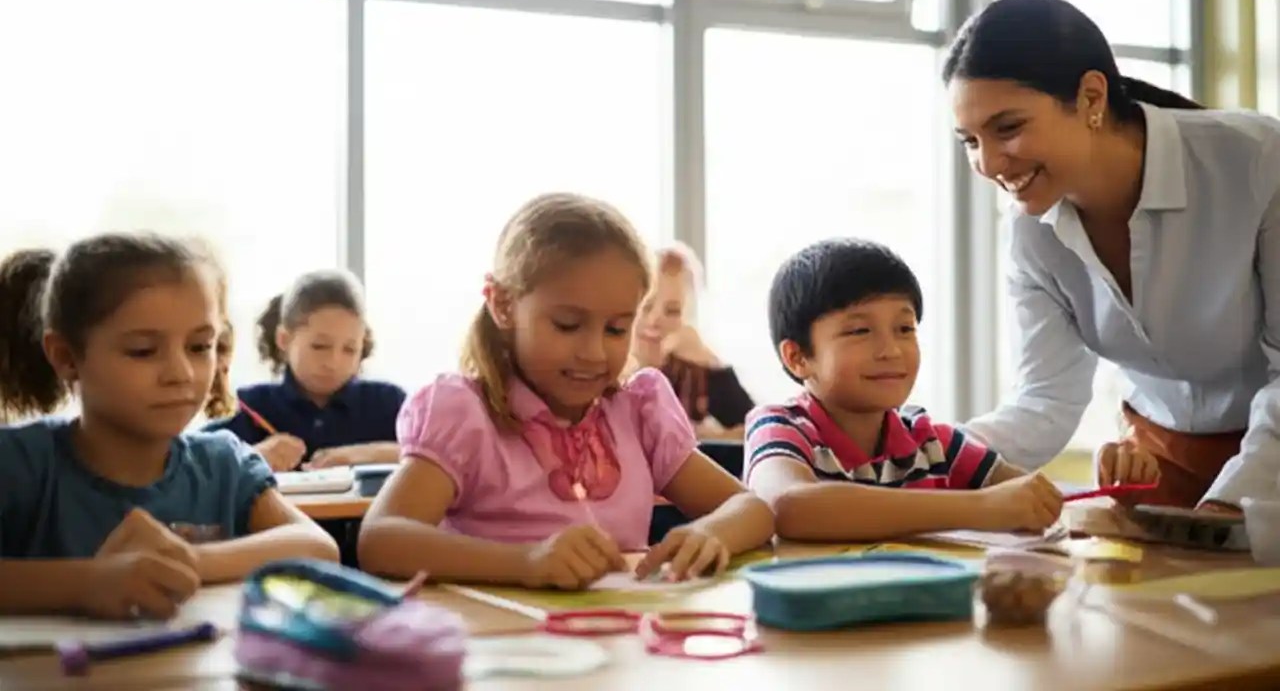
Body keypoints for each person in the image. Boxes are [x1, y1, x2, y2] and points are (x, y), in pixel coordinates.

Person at [946, 0, 1279, 510]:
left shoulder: (1256, 160)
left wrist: (1230, 506)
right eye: (970, 141)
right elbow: (1045, 400)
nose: (988, 164)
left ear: (1091, 97)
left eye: (1007, 128)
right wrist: (927, 454)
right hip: (1158, 463)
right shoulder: (1031, 232)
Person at [359, 193, 774, 588]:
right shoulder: (467, 414)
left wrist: (711, 532)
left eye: (616, 329)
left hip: (624, 633)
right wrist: (525, 563)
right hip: (502, 634)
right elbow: (381, 539)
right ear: (502, 304)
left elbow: (752, 508)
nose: (594, 352)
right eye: (567, 325)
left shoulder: (636, 411)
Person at [0, 233, 338, 619]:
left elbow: (318, 547)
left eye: (199, 347)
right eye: (143, 351)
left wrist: (187, 561)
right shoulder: (21, 465)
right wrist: (89, 582)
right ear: (65, 357)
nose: (181, 373)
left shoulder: (222, 465)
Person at [744, 239, 1071, 541]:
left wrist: (1051, 502)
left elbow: (1026, 495)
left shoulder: (933, 443)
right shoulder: (780, 427)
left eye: (904, 328)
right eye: (859, 331)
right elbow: (788, 506)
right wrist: (981, 507)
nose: (891, 350)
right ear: (798, 357)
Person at [206, 270, 406, 472]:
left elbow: (423, 454)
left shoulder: (388, 403)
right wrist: (253, 456)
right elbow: (193, 459)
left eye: (350, 349)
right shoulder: (252, 406)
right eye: (319, 346)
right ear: (284, 339)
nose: (333, 362)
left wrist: (360, 456)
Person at [630, 243, 754, 440]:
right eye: (646, 306)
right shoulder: (611, 369)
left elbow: (757, 431)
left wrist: (713, 364)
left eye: (672, 311)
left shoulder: (698, 372)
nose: (654, 320)